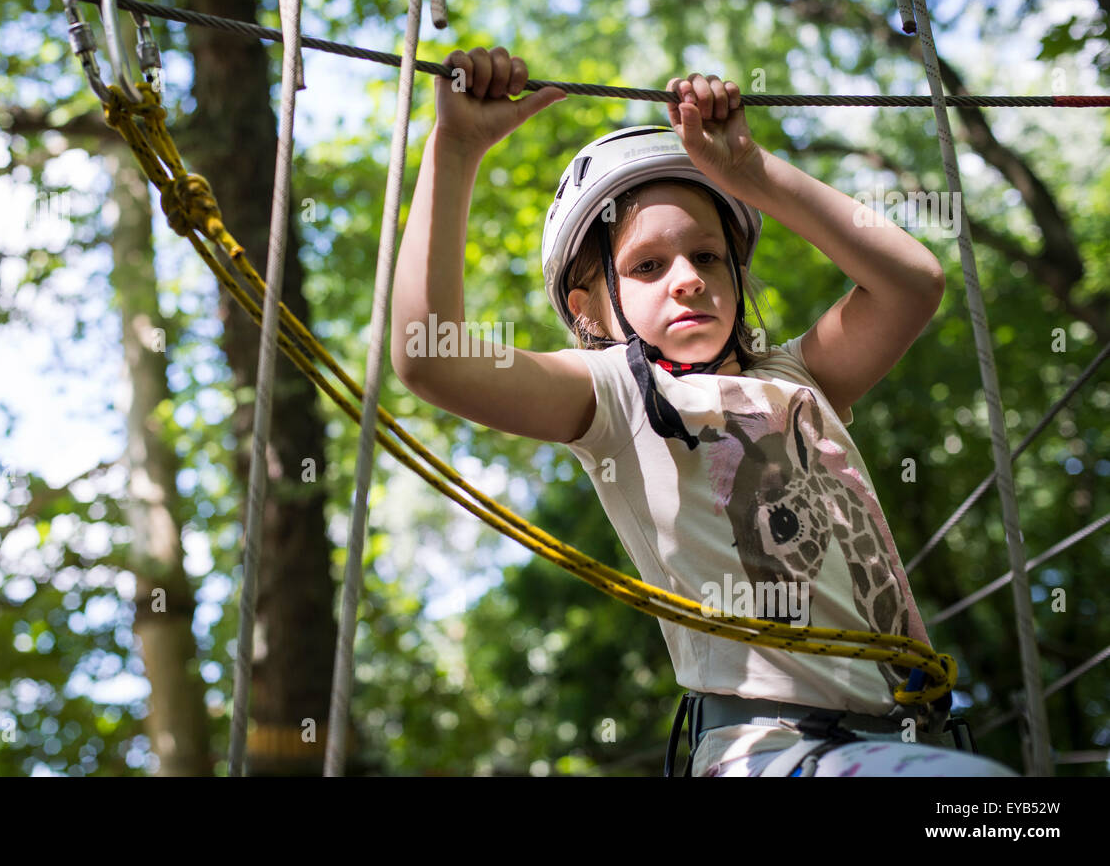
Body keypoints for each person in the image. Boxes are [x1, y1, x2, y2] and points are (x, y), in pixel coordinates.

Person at [390, 45, 1017, 777]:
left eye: (708, 256)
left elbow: (913, 281)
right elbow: (429, 356)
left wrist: (750, 171)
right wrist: (455, 148)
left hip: (902, 738)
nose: (686, 279)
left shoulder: (799, 376)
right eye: (647, 266)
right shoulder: (617, 396)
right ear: (588, 309)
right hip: (770, 750)